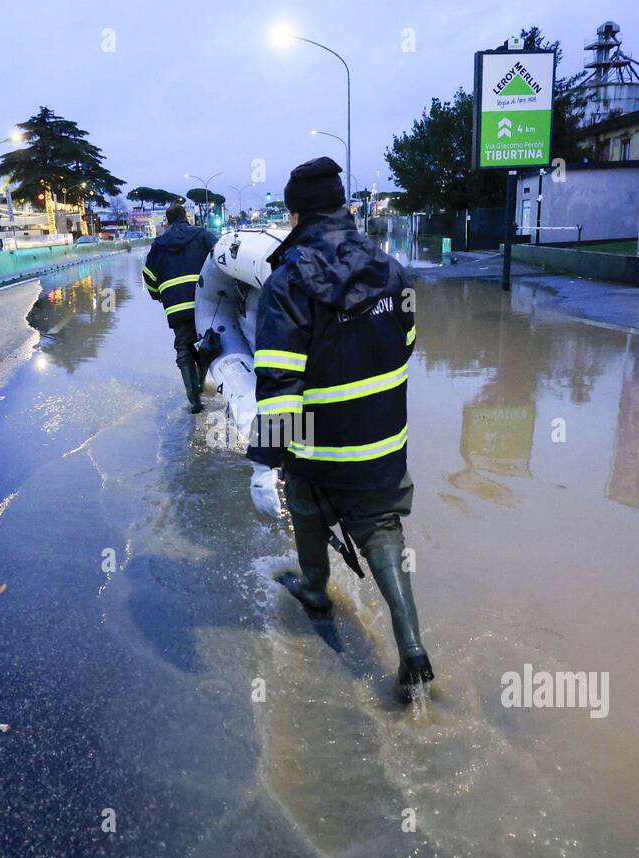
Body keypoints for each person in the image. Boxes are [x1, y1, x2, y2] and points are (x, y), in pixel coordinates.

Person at [246, 157, 434, 699]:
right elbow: (406, 345)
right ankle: (412, 645)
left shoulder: (287, 284)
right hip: (382, 441)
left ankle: (314, 589)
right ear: (344, 205)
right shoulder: (391, 268)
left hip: (318, 446)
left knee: (305, 510)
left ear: (295, 212)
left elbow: (280, 383)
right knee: (382, 530)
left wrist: (267, 464)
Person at [142, 204, 218, 412]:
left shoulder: (159, 244)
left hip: (175, 306)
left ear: (167, 222)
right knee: (207, 343)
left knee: (183, 348)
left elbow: (148, 275)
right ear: (186, 217)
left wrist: (157, 294)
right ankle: (201, 384)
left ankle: (194, 400)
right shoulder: (202, 234)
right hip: (205, 303)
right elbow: (222, 257)